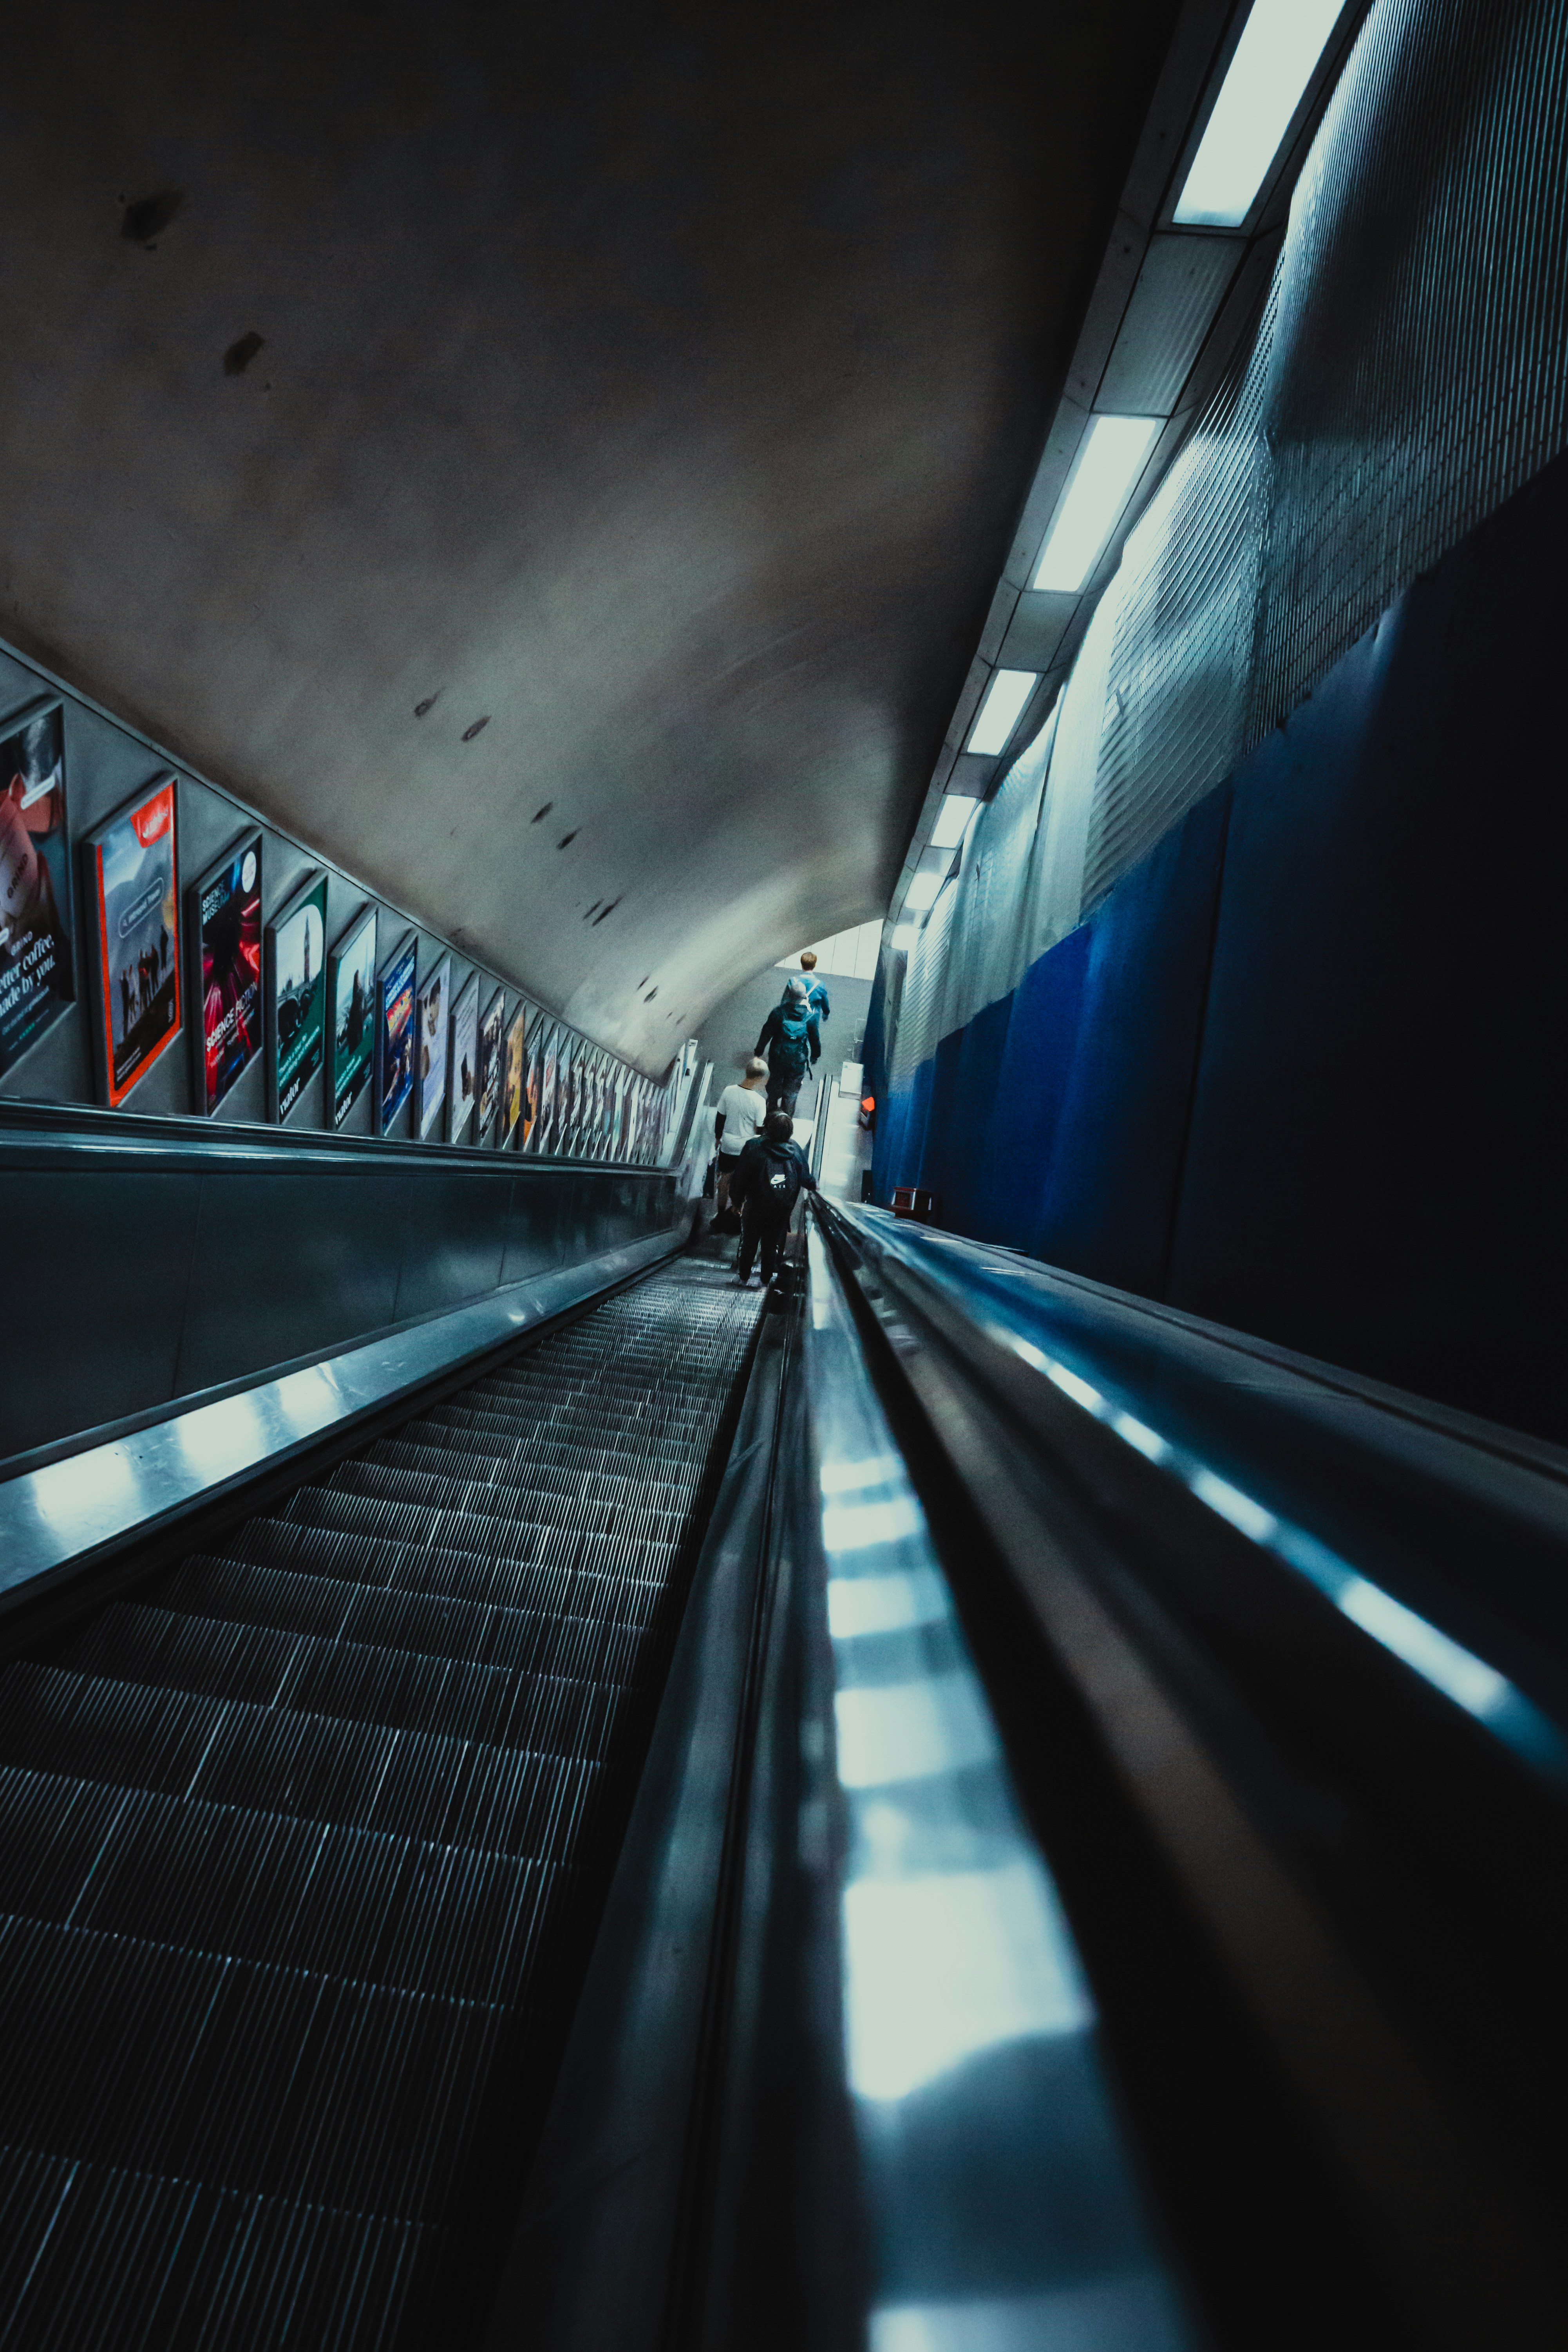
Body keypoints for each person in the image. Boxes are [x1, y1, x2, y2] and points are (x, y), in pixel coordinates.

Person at [730, 1110, 816, 1286]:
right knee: (771, 1244)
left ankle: (743, 1277)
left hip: (755, 1205)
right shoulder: (796, 1150)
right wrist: (815, 1187)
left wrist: (736, 1201)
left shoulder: (754, 1146)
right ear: (790, 1132)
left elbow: (740, 1177)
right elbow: (807, 1178)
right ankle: (765, 1280)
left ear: (768, 1128)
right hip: (781, 1208)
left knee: (749, 1242)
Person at [755, 974, 820, 1116]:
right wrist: (815, 1055)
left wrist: (759, 1052)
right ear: (804, 997)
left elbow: (767, 1033)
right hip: (798, 1061)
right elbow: (815, 1039)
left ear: (789, 995)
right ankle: (786, 1123)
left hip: (777, 1059)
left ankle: (770, 1116)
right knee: (791, 1095)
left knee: (774, 1090)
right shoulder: (810, 1016)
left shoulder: (778, 1013)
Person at [713, 1054, 767, 1222]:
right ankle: (738, 1211)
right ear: (759, 1078)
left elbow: (720, 1117)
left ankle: (720, 1213)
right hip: (747, 1148)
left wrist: (718, 1137)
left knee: (725, 1179)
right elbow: (760, 1128)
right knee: (743, 1182)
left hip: (728, 1144)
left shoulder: (729, 1091)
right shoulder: (759, 1101)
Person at [790, 948, 830, 1027]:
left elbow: (785, 999)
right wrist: (826, 1014)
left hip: (794, 1016)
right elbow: (824, 1002)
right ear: (815, 965)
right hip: (811, 1018)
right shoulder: (820, 984)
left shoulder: (793, 981)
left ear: (802, 965)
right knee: (814, 1039)